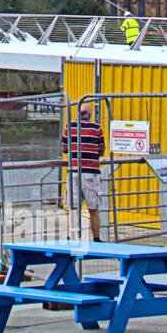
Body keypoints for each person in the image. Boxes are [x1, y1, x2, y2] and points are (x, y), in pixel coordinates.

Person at [61, 104, 106, 242]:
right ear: (90, 114)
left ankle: (70, 238)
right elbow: (101, 150)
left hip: (74, 171)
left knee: (73, 210)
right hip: (91, 173)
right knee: (93, 210)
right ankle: (96, 239)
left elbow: (64, 149)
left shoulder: (69, 127)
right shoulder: (97, 128)